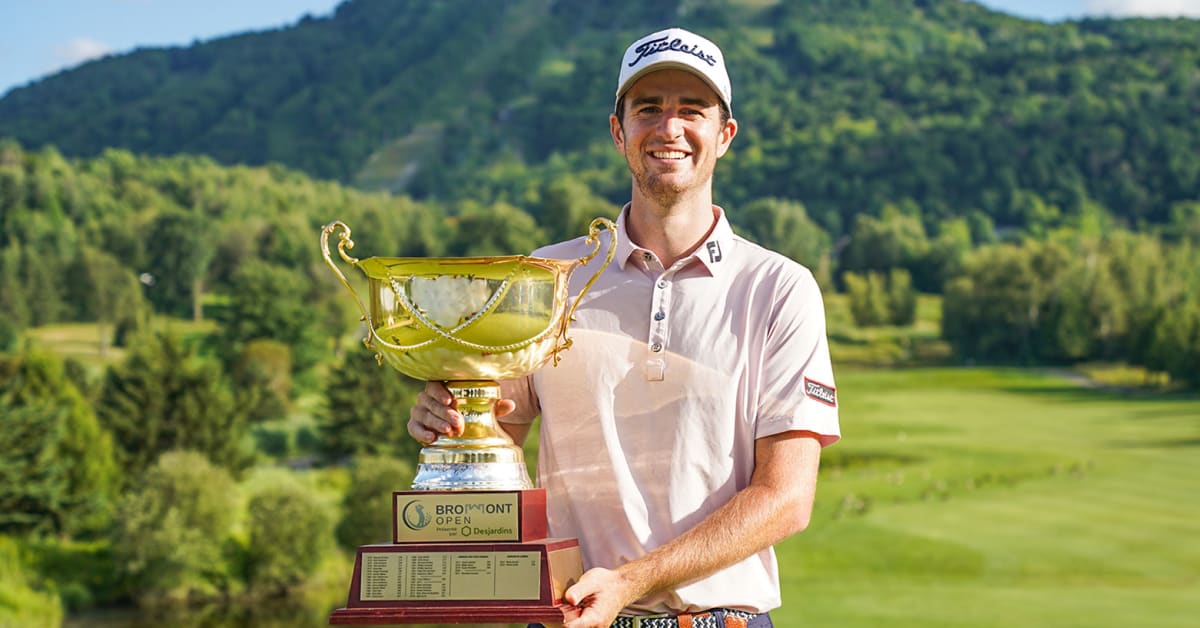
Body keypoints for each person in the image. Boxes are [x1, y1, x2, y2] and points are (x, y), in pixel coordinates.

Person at [409, 27, 840, 628]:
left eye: (692, 110)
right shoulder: (549, 275)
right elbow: (497, 434)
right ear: (619, 131)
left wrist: (630, 582)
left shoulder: (778, 288)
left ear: (725, 134)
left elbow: (787, 499)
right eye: (648, 109)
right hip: (567, 618)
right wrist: (453, 429)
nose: (669, 128)